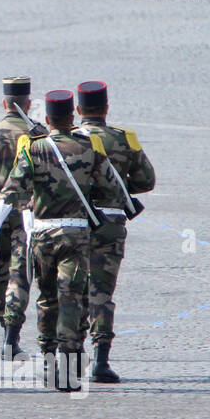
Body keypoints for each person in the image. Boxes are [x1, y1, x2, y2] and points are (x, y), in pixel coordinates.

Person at [0, 90, 122, 391]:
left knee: (47, 298)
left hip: (42, 233)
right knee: (71, 299)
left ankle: (47, 358)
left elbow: (12, 190)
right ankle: (68, 369)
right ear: (72, 117)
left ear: (47, 119)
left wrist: (32, 201)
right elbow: (111, 188)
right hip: (76, 233)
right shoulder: (88, 148)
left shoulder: (35, 148)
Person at [73, 81, 156, 383]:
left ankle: (70, 356)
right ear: (106, 108)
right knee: (102, 292)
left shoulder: (70, 139)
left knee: (72, 290)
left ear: (79, 110)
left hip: (76, 224)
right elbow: (147, 180)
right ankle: (100, 361)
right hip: (110, 223)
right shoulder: (124, 139)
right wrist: (118, 185)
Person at [0, 77, 45, 357]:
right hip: (28, 212)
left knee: (2, 271)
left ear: (4, 103)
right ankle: (11, 336)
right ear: (28, 103)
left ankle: (5, 327)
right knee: (20, 271)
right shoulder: (38, 135)